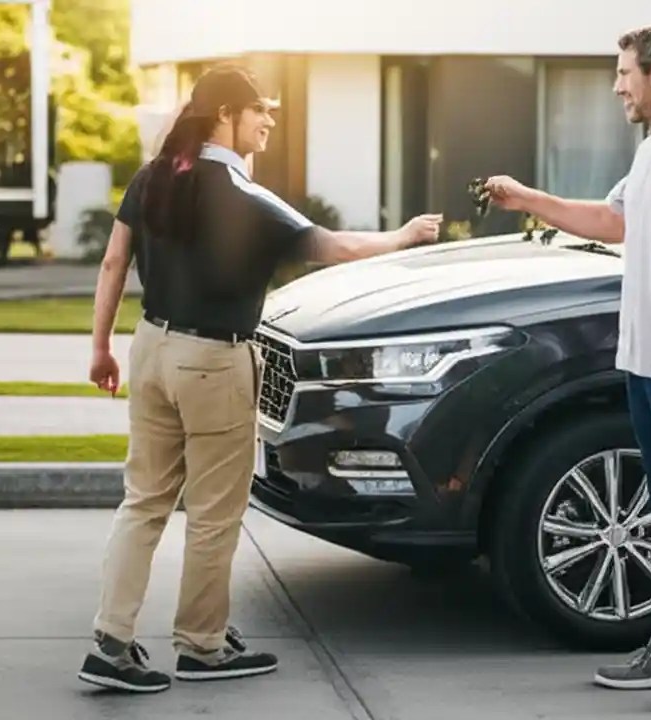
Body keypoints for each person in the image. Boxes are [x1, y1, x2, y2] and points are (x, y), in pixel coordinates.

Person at [78, 64, 442, 692]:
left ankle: (111, 643)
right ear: (226, 114)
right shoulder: (243, 194)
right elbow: (336, 247)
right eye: (261, 110)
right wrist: (406, 235)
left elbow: (114, 262)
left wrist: (100, 348)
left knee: (144, 501)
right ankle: (202, 645)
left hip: (151, 349)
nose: (270, 120)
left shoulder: (153, 175)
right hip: (214, 362)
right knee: (216, 514)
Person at [484, 25, 651, 713]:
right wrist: (528, 199)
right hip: (643, 365)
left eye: (625, 73)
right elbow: (612, 223)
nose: (617, 85)